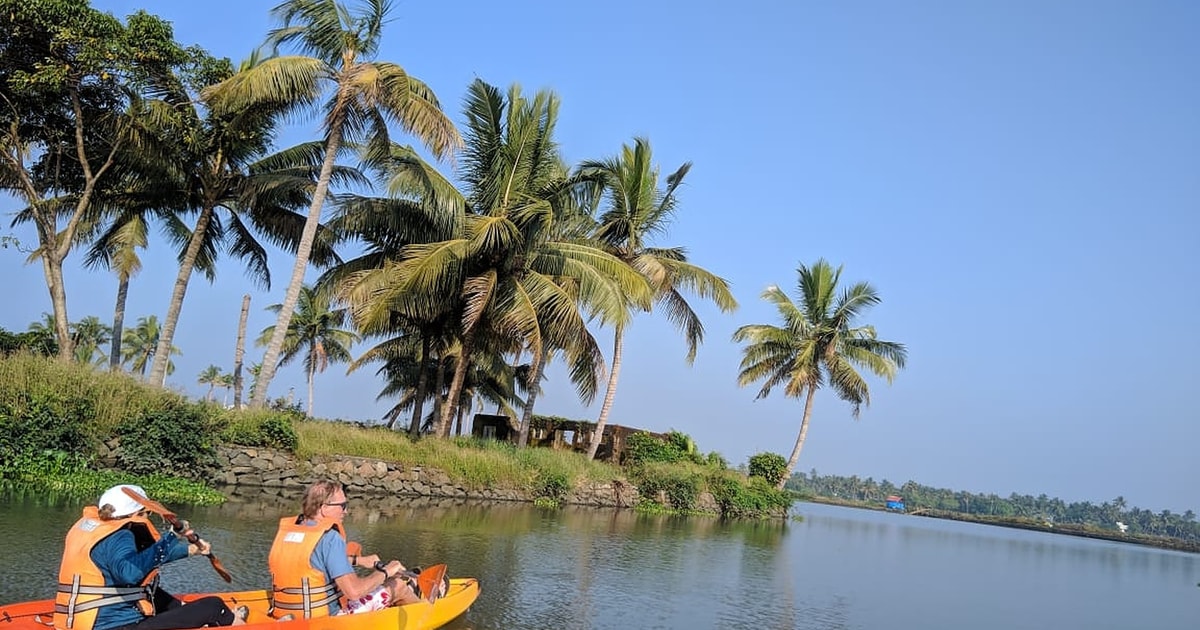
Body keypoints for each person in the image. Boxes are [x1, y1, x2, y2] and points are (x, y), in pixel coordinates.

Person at [54, 484, 245, 630]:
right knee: (213, 605)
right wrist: (172, 536)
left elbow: (143, 558)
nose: (148, 518)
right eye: (146, 514)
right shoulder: (121, 535)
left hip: (79, 622)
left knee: (154, 593)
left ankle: (189, 613)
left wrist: (190, 550)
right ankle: (236, 623)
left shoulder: (96, 529)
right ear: (136, 513)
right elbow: (130, 572)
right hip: (115, 626)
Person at [267, 480, 420, 620]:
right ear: (324, 508)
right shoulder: (330, 537)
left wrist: (358, 560)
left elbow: (311, 562)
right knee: (398, 585)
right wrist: (386, 571)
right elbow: (354, 592)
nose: (345, 511)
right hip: (327, 619)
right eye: (342, 506)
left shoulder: (290, 531)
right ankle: (426, 613)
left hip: (286, 614)